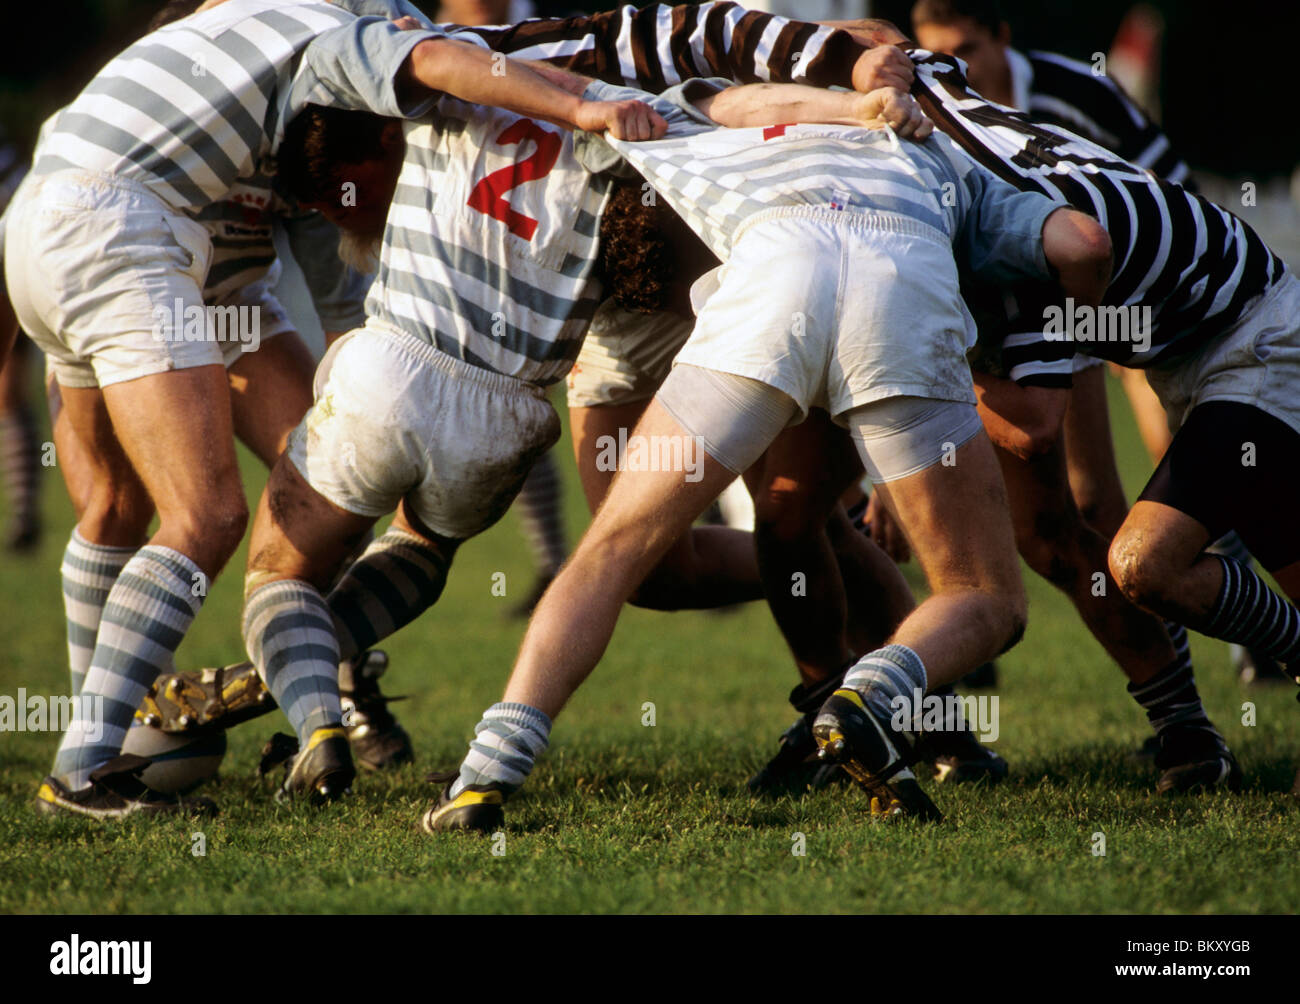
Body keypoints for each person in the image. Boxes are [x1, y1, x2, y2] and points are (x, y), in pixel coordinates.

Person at [7, 0, 658, 819]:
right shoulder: (352, 32)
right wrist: (579, 104)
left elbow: (347, 308)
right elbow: (428, 60)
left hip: (74, 224)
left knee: (227, 492)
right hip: (124, 224)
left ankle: (248, 710)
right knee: (207, 517)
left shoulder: (257, 74)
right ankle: (87, 767)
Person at [424, 74, 1113, 832]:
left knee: (611, 552)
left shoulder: (740, 114)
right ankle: (866, 699)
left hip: (770, 281)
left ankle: (485, 777)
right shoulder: (944, 148)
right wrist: (1072, 336)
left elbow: (651, 108)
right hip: (901, 285)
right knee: (984, 596)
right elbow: (1083, 242)